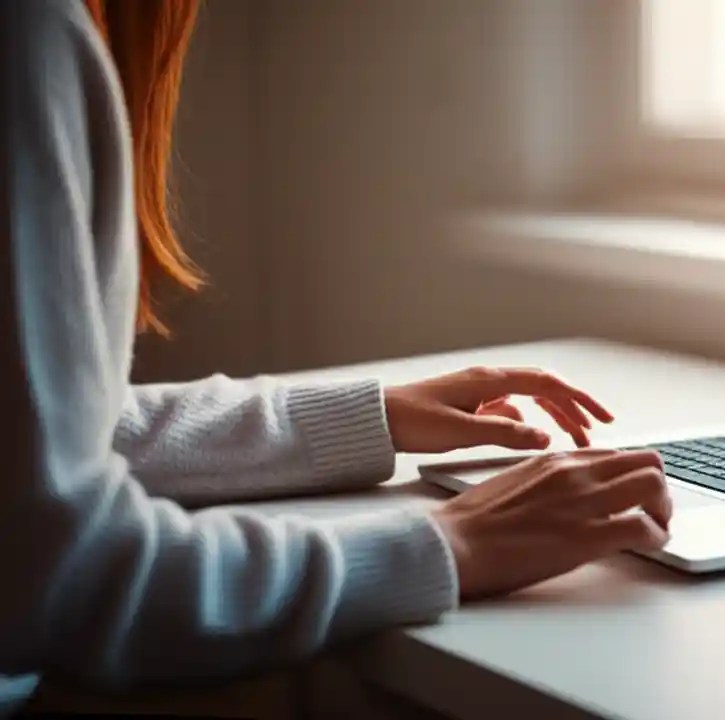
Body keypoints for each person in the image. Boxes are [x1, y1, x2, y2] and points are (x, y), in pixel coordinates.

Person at [0, 0, 672, 710]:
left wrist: (361, 418)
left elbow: (36, 452)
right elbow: (66, 581)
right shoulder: (27, 33)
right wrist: (452, 543)